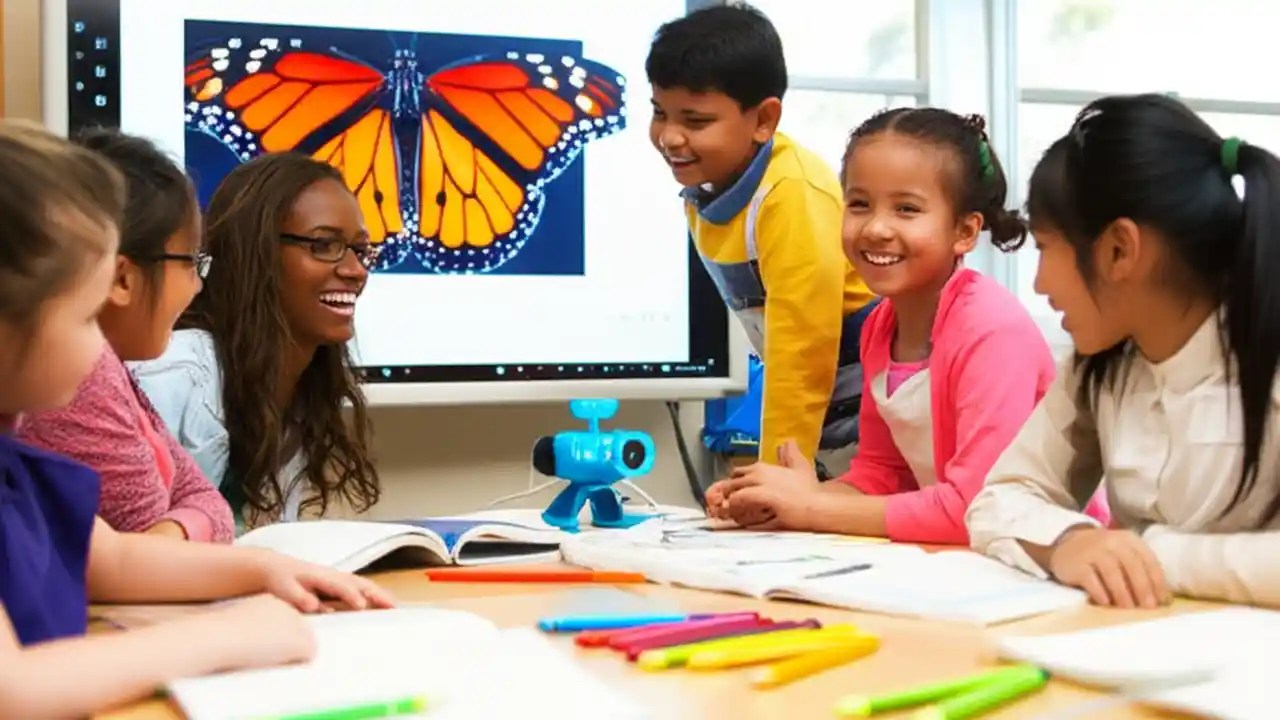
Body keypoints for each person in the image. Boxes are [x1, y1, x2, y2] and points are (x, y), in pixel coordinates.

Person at [0, 120, 392, 718]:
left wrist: (267, 569)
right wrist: (225, 637)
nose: (99, 353)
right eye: (84, 318)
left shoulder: (15, 460)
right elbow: (14, 690)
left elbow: (112, 562)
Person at [706, 108, 1107, 544]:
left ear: (965, 232)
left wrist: (812, 506)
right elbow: (882, 473)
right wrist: (777, 502)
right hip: (973, 558)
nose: (876, 228)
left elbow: (977, 506)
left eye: (907, 209)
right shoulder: (881, 325)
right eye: (859, 204)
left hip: (1058, 558)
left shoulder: (991, 330)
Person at [967, 94, 1280, 609]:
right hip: (1128, 644)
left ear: (1120, 250)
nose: (1041, 284)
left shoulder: (1266, 347)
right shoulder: (1101, 364)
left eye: (1045, 249)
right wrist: (1070, 542)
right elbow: (1001, 497)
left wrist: (1151, 554)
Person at [646, 3, 878, 473]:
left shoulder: (789, 194)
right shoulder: (705, 191)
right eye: (659, 112)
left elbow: (802, 351)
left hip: (881, 413)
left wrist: (777, 473)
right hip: (830, 417)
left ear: (764, 120)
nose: (669, 136)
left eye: (694, 121)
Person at [135, 153, 380, 530]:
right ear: (255, 252)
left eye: (360, 251)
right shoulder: (167, 376)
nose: (354, 271)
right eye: (323, 244)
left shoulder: (298, 395)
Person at [17, 128, 233, 542]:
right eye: (191, 262)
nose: (198, 286)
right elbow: (143, 548)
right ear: (122, 278)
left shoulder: (115, 370)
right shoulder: (87, 379)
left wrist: (176, 534)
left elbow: (203, 499)